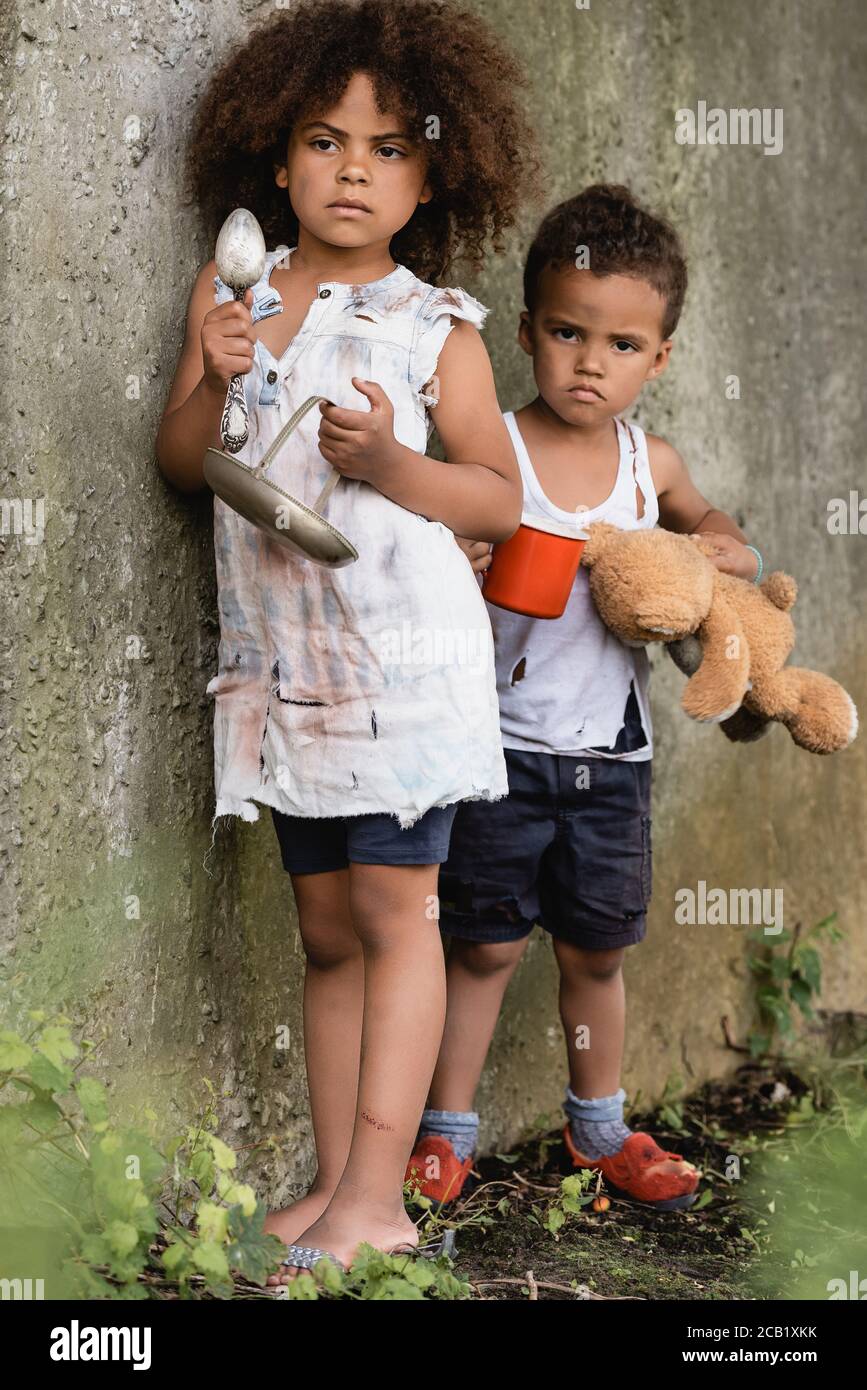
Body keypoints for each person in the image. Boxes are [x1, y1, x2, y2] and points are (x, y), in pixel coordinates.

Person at [155, 0, 539, 1281]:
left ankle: (380, 1197)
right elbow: (182, 463)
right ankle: (334, 1187)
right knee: (326, 927)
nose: (353, 168)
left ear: (431, 175)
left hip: (403, 674)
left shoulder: (441, 324)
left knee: (396, 910)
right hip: (286, 674)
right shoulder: (233, 293)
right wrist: (214, 372)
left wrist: (390, 460)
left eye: (386, 148)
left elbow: (497, 497)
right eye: (325, 142)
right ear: (278, 162)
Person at [407, 184, 764, 1212]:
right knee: (479, 944)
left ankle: (598, 1126)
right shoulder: (495, 453)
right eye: (566, 332)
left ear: (660, 358)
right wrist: (463, 557)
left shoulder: (651, 466)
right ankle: (446, 1133)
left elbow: (715, 525)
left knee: (595, 952)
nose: (588, 362)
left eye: (620, 344)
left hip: (613, 762)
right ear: (525, 331)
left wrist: (718, 549)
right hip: (499, 750)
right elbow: (437, 543)